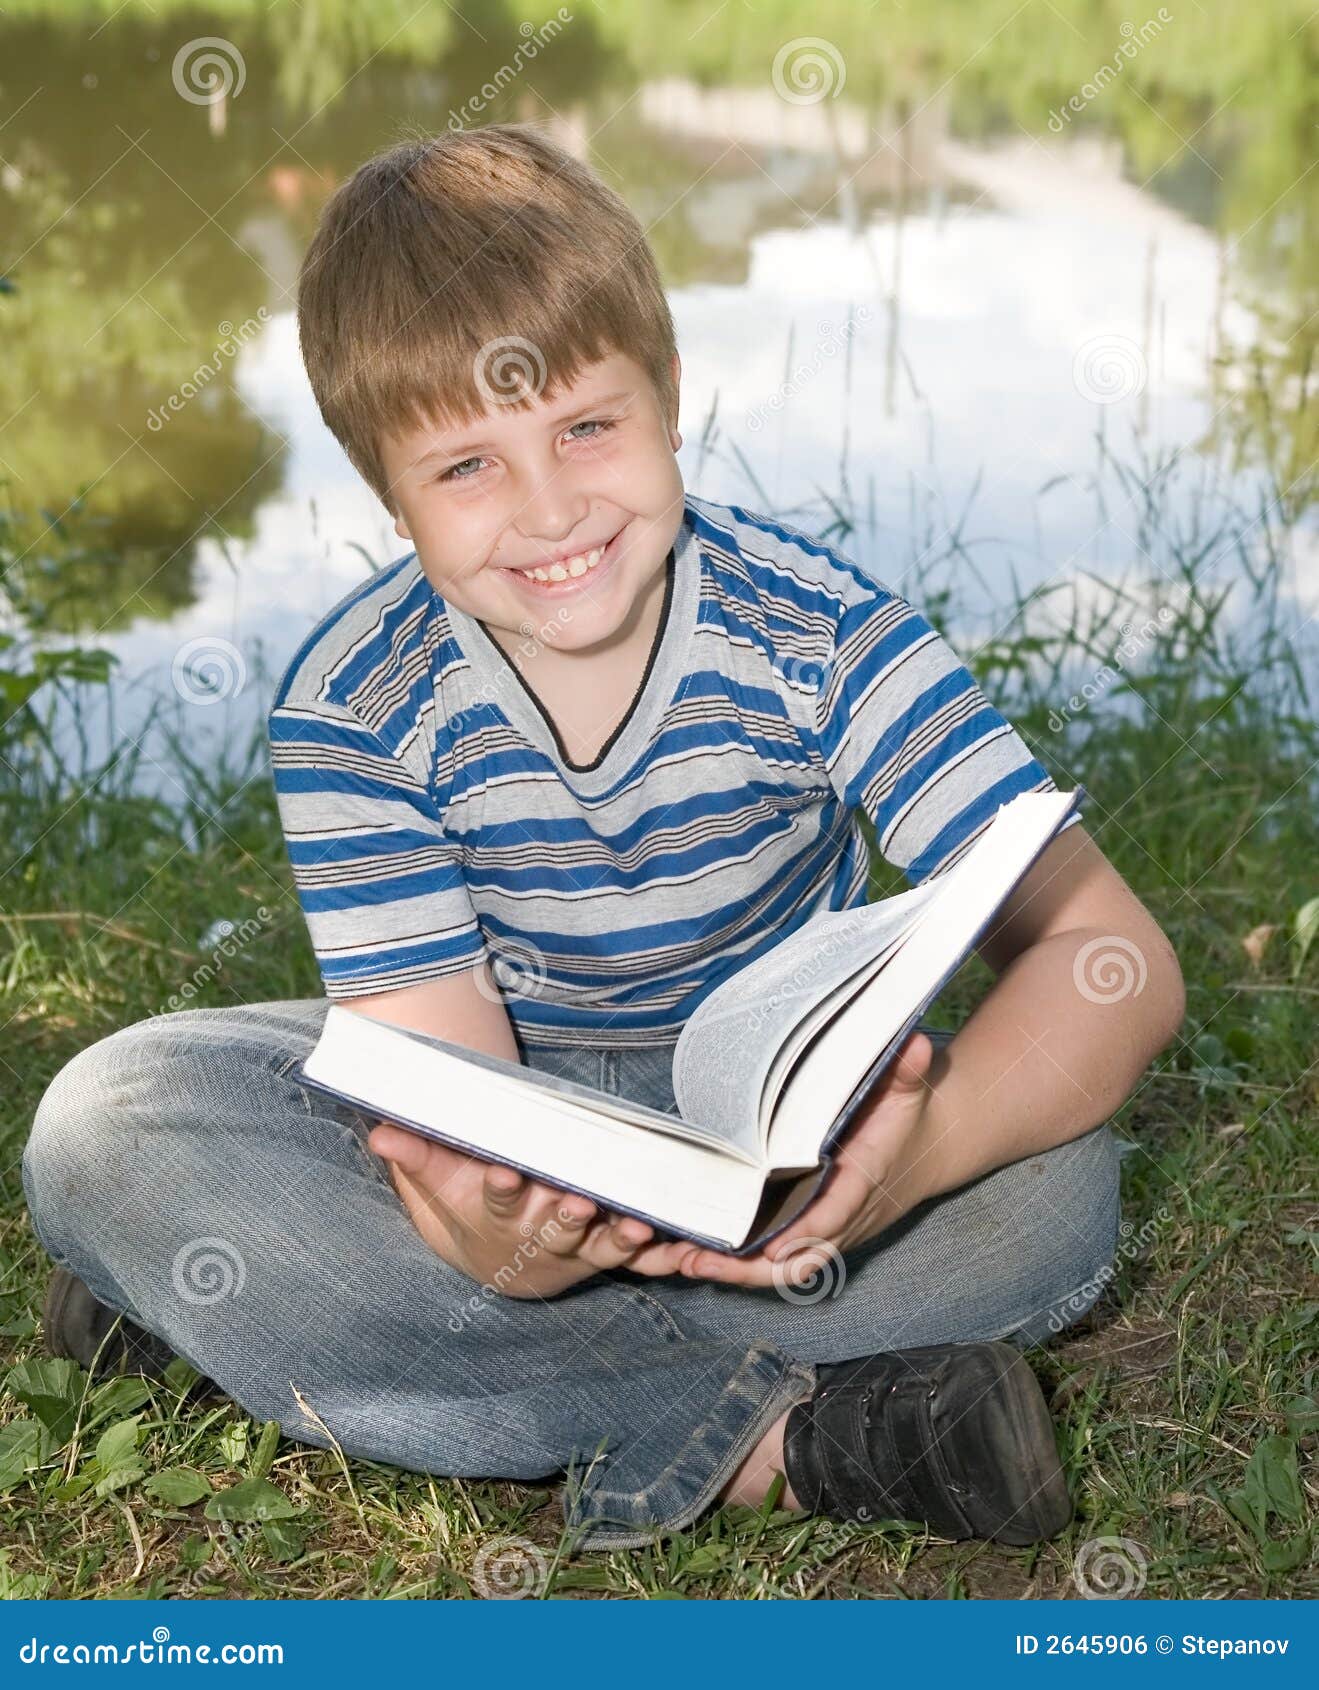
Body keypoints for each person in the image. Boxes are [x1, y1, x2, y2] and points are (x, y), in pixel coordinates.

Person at [23, 124, 1185, 1553]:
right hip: (517, 1108)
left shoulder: (823, 634)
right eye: (466, 467)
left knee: (1054, 1187)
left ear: (671, 396)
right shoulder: (356, 708)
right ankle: (794, 1442)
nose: (552, 507)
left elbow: (1115, 956)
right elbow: (446, 1094)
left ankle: (272, 1350)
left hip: (789, 1157)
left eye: (586, 426)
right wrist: (496, 1246)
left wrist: (926, 1150)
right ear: (387, 493)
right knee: (111, 1120)